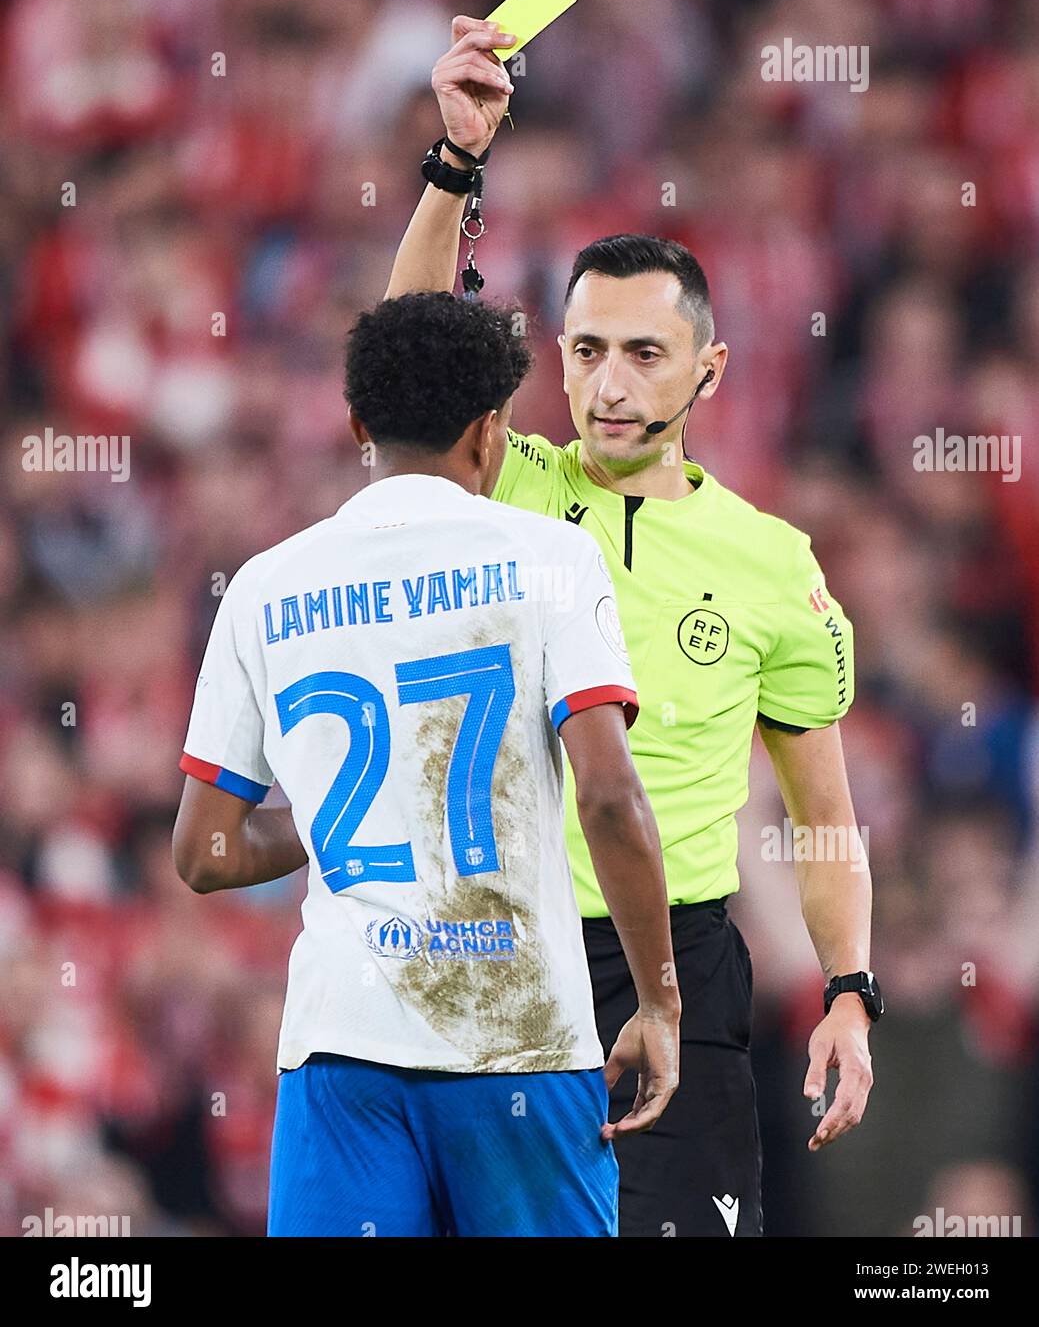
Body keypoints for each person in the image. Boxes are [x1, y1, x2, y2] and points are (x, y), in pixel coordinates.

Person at [381, 16, 880, 1237]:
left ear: (707, 374)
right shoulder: (513, 483)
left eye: (646, 355)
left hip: (683, 963)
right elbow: (403, 363)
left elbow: (823, 816)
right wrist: (456, 162)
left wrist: (852, 989)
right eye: (589, 350)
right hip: (501, 955)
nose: (609, 385)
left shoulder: (772, 563)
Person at [172, 289, 680, 1238]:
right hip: (521, 1040)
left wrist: (328, 819)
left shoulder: (263, 586)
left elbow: (203, 853)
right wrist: (657, 999)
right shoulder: (552, 557)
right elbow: (610, 800)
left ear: (357, 422)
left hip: (341, 1050)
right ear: (489, 433)